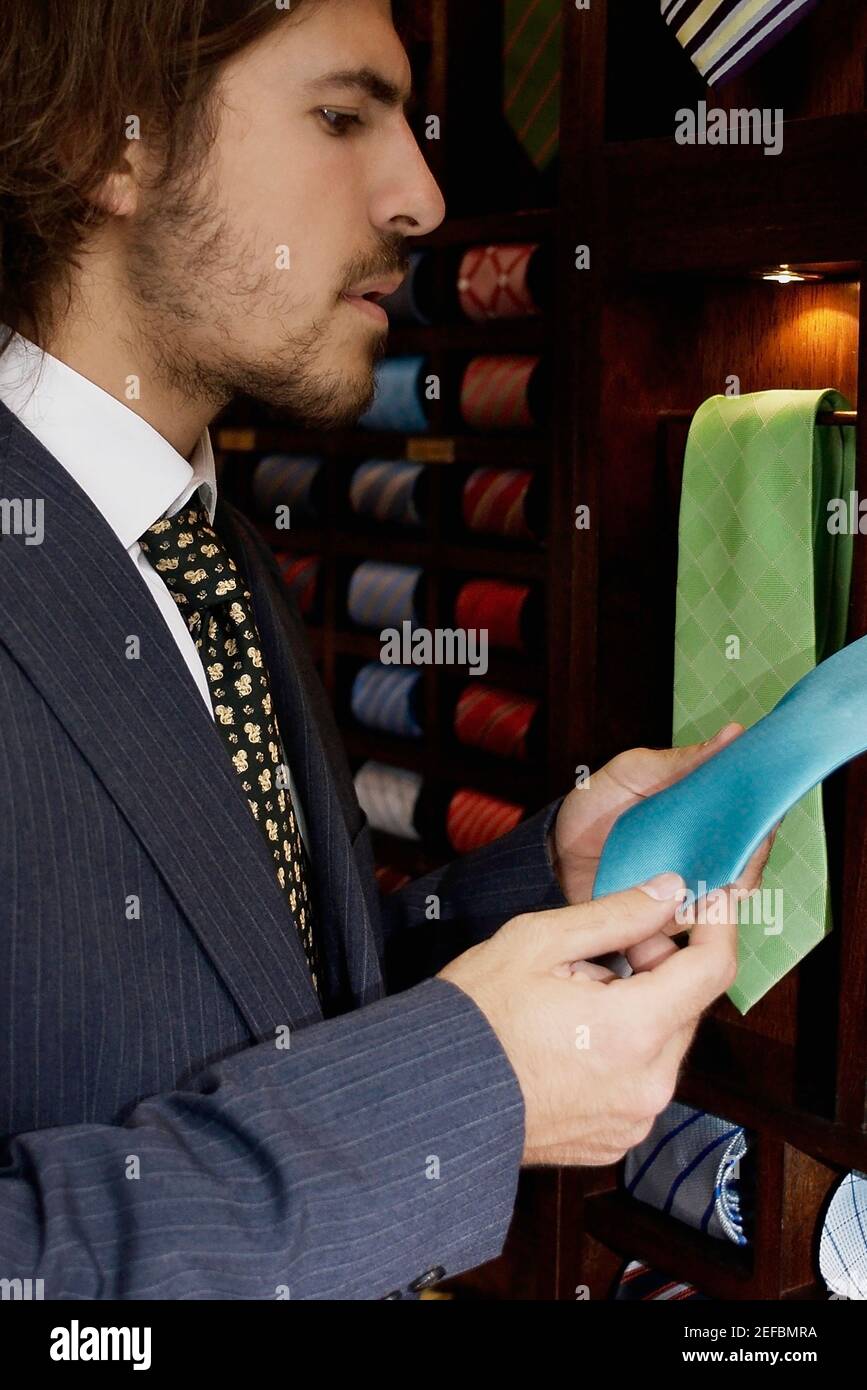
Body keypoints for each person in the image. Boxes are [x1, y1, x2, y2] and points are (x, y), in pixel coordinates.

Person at [0, 0, 771, 1300]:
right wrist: (471, 1091)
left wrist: (542, 885)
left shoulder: (215, 552)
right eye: (342, 116)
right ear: (105, 143)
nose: (420, 197)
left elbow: (259, 988)